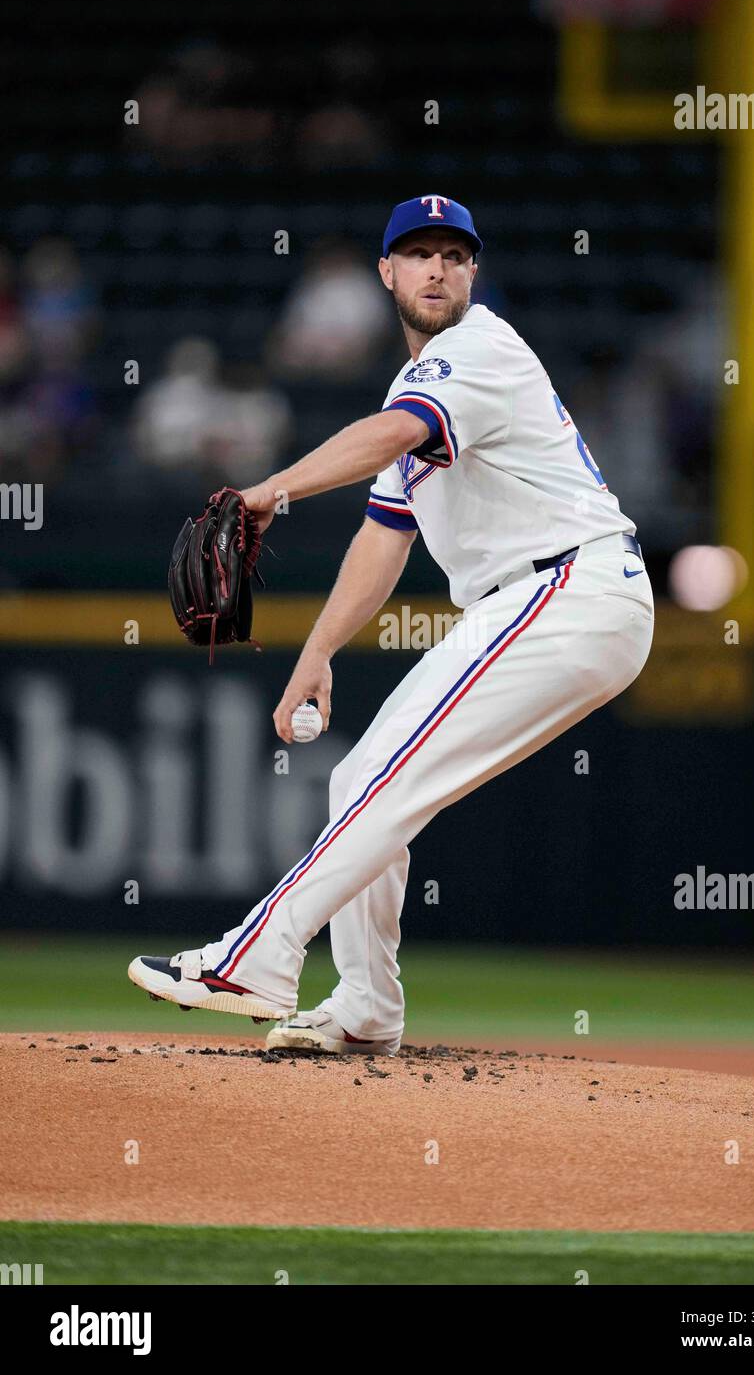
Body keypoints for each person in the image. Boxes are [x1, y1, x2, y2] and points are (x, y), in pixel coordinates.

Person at [128, 195, 654, 1056]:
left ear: (474, 271)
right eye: (418, 254)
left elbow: (393, 435)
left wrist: (268, 492)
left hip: (570, 586)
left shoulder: (476, 349)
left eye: (454, 253)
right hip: (549, 602)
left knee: (391, 778)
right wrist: (320, 651)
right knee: (366, 779)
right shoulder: (421, 380)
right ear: (388, 273)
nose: (437, 268)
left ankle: (257, 956)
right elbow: (384, 534)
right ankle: (367, 1006)